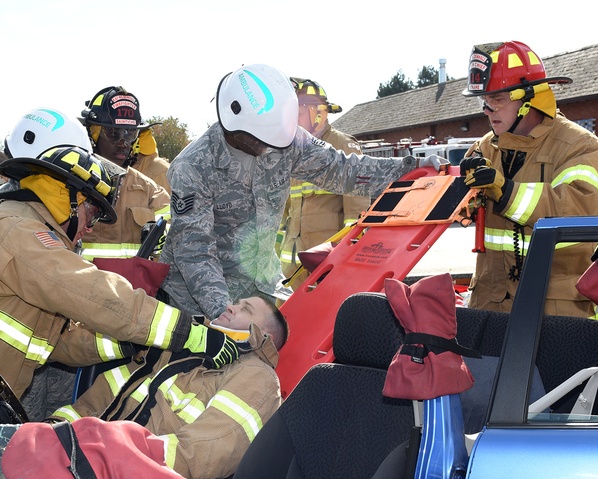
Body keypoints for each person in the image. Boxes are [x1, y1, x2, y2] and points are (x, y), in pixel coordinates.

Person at [0, 107, 240, 399]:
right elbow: (96, 294)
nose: (92, 226)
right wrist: (190, 334)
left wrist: (129, 341)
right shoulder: (20, 231)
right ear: (68, 197)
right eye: (92, 211)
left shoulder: (22, 227)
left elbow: (58, 342)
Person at [158, 63, 441, 320]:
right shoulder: (193, 166)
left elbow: (342, 169)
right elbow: (195, 252)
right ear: (234, 127)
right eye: (259, 142)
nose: (268, 150)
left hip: (262, 286)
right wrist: (223, 314)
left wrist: (411, 168)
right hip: (200, 300)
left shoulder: (288, 139)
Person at [51, 295, 287, 479]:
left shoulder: (258, 378)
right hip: (92, 468)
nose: (230, 306)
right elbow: (99, 402)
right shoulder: (189, 345)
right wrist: (55, 430)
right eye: (236, 302)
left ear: (265, 335)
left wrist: (108, 459)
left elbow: (203, 453)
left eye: (244, 309)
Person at [459, 41, 598, 318]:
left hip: (555, 313)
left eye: (498, 99)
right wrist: (460, 200)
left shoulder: (581, 148)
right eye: (485, 101)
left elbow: (575, 211)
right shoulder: (485, 147)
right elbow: (464, 212)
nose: (487, 110)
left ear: (530, 99)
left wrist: (504, 191)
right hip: (490, 305)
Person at [279, 77, 371, 289]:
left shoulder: (341, 145)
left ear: (316, 112)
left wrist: (346, 254)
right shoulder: (295, 150)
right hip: (293, 264)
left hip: (327, 262)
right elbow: (285, 206)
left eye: (298, 113)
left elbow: (356, 211)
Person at [79, 86, 170, 261]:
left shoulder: (149, 190)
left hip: (132, 287)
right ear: (93, 134)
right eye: (113, 133)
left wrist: (161, 233)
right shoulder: (70, 182)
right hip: (79, 285)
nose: (123, 143)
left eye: (130, 133)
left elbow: (176, 227)